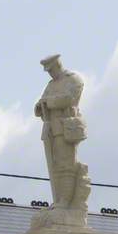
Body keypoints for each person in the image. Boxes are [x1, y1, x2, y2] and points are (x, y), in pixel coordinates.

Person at [34, 54, 89, 213]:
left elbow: (70, 98)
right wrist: (40, 106)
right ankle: (58, 199)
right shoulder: (51, 85)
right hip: (52, 130)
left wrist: (49, 103)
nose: (50, 74)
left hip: (67, 129)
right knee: (55, 166)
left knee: (66, 165)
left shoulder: (73, 79)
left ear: (57, 66)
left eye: (51, 70)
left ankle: (65, 200)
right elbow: (41, 102)